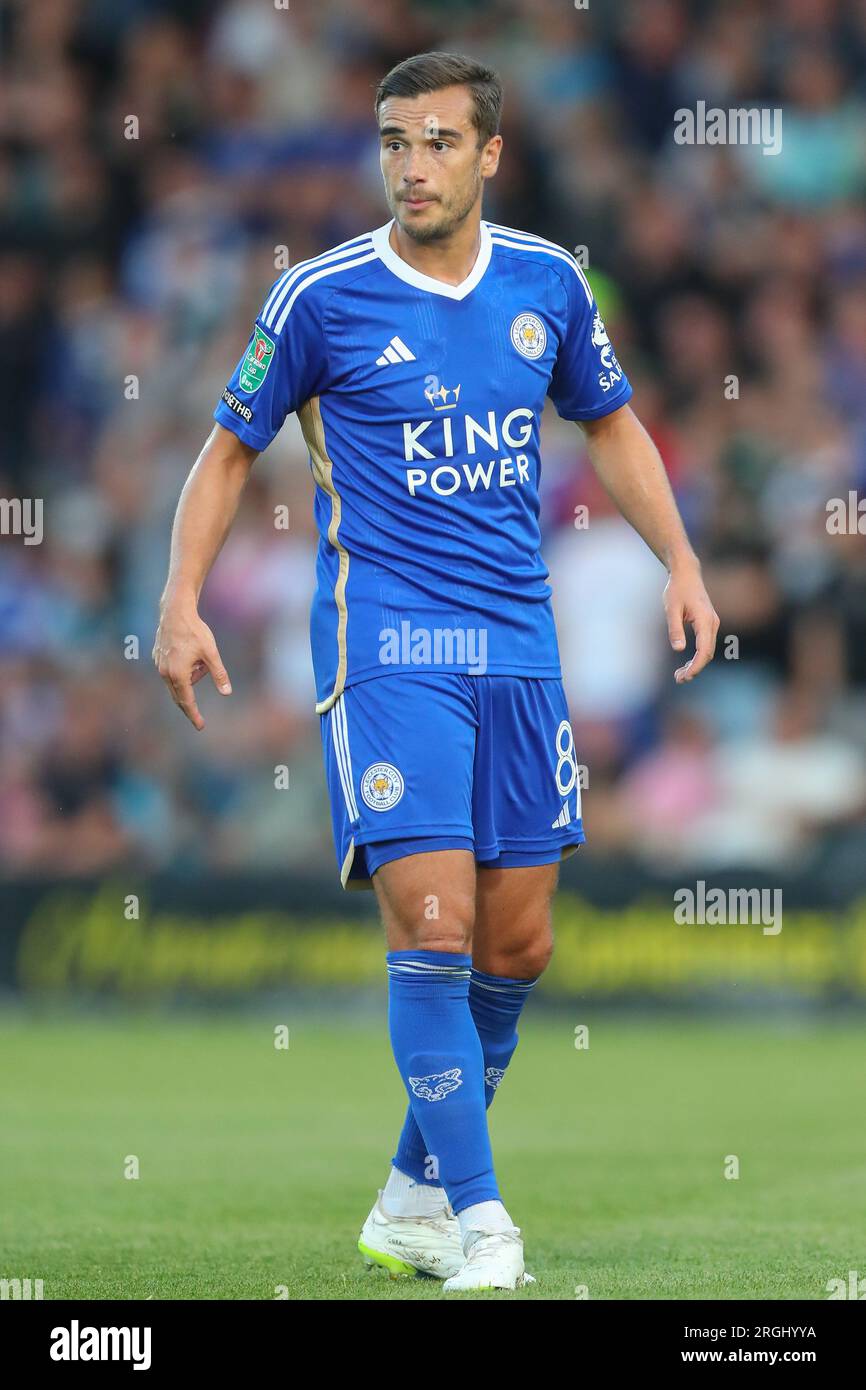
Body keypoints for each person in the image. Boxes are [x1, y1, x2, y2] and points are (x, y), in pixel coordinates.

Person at [153, 51, 719, 1292]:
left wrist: (679, 560)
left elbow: (611, 422)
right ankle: (483, 1225)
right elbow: (226, 451)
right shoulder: (318, 296)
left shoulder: (548, 285)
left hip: (517, 645)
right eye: (394, 142)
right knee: (432, 922)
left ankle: (410, 1195)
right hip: (389, 644)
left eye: (439, 143)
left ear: (489, 155)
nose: (412, 165)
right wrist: (181, 597)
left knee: (515, 949)